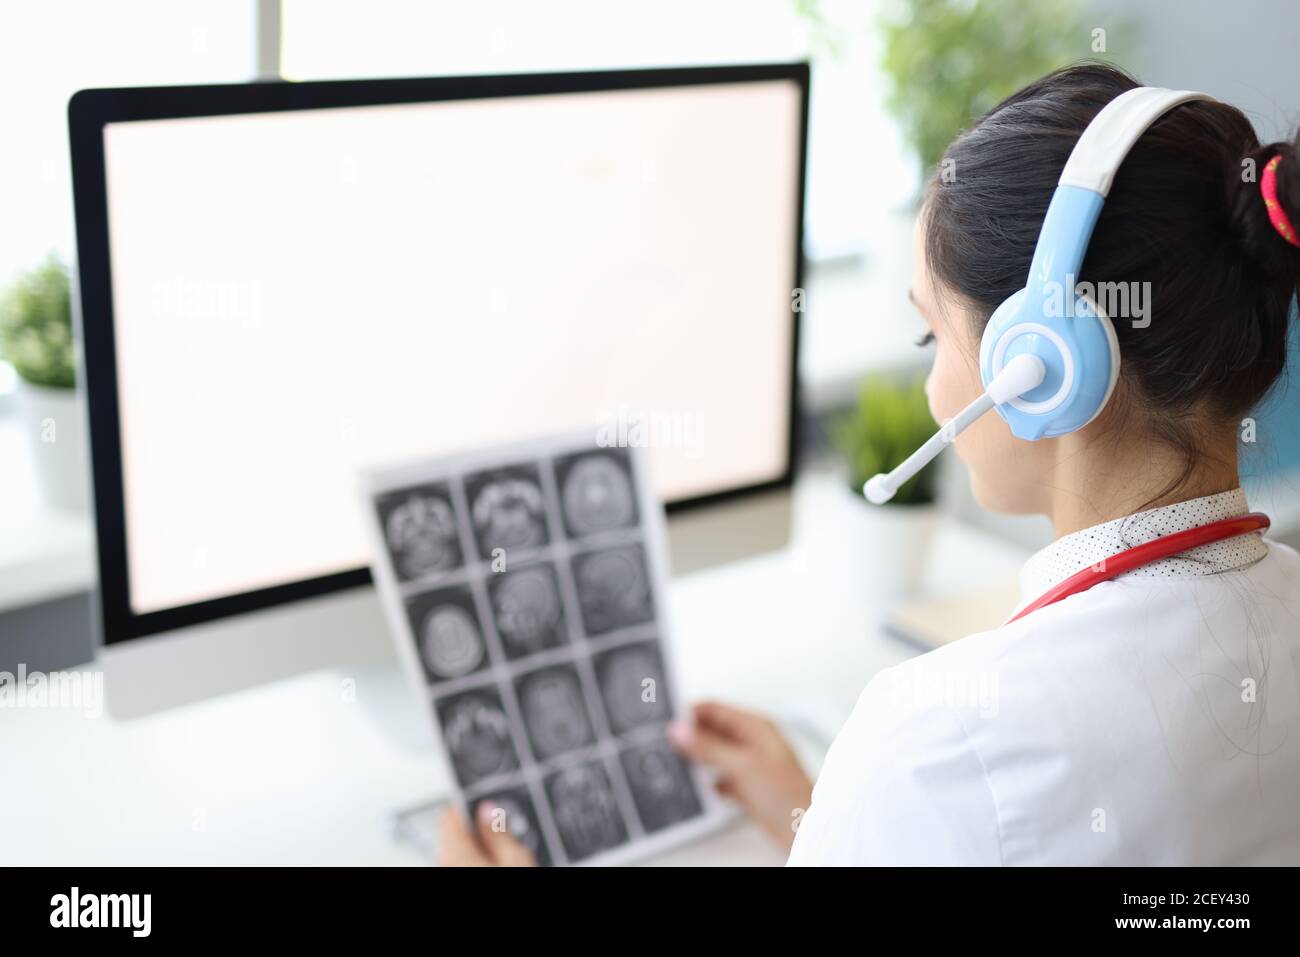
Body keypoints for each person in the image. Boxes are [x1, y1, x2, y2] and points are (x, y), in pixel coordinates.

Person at [438, 63, 1300, 866]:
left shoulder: (941, 735)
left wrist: (879, 801)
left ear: (1041, 363)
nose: (932, 389)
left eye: (934, 333)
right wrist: (829, 820)